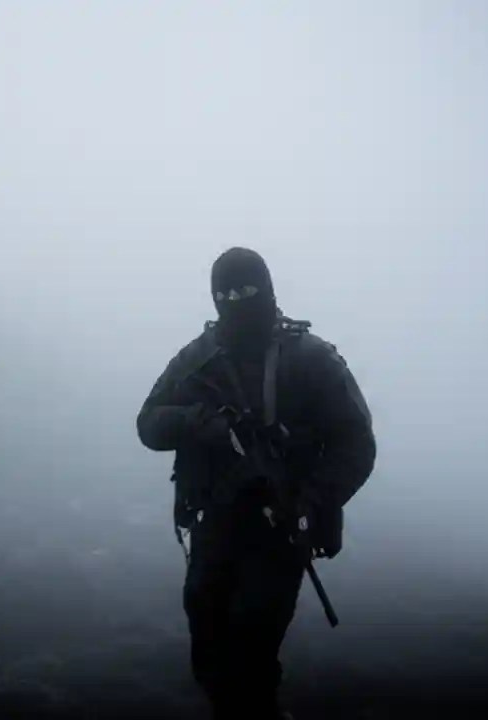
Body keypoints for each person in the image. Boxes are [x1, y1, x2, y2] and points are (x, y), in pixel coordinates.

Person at [136, 247, 376, 720]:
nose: (235, 301)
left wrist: (309, 502)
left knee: (251, 651)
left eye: (245, 291)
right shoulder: (200, 356)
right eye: (223, 293)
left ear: (266, 289)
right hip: (215, 522)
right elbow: (149, 424)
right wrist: (205, 423)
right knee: (208, 643)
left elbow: (356, 446)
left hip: (282, 528)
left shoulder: (310, 359)